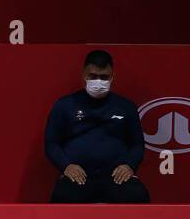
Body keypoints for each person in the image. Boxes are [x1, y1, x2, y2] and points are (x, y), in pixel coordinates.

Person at [44, 49, 148, 204]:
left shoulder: (126, 107)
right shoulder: (64, 105)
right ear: (83, 75)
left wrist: (129, 165)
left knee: (138, 195)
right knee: (62, 196)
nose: (98, 81)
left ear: (112, 77)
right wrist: (66, 166)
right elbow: (51, 143)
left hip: (115, 177)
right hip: (78, 176)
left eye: (104, 77)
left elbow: (137, 144)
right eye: (92, 76)